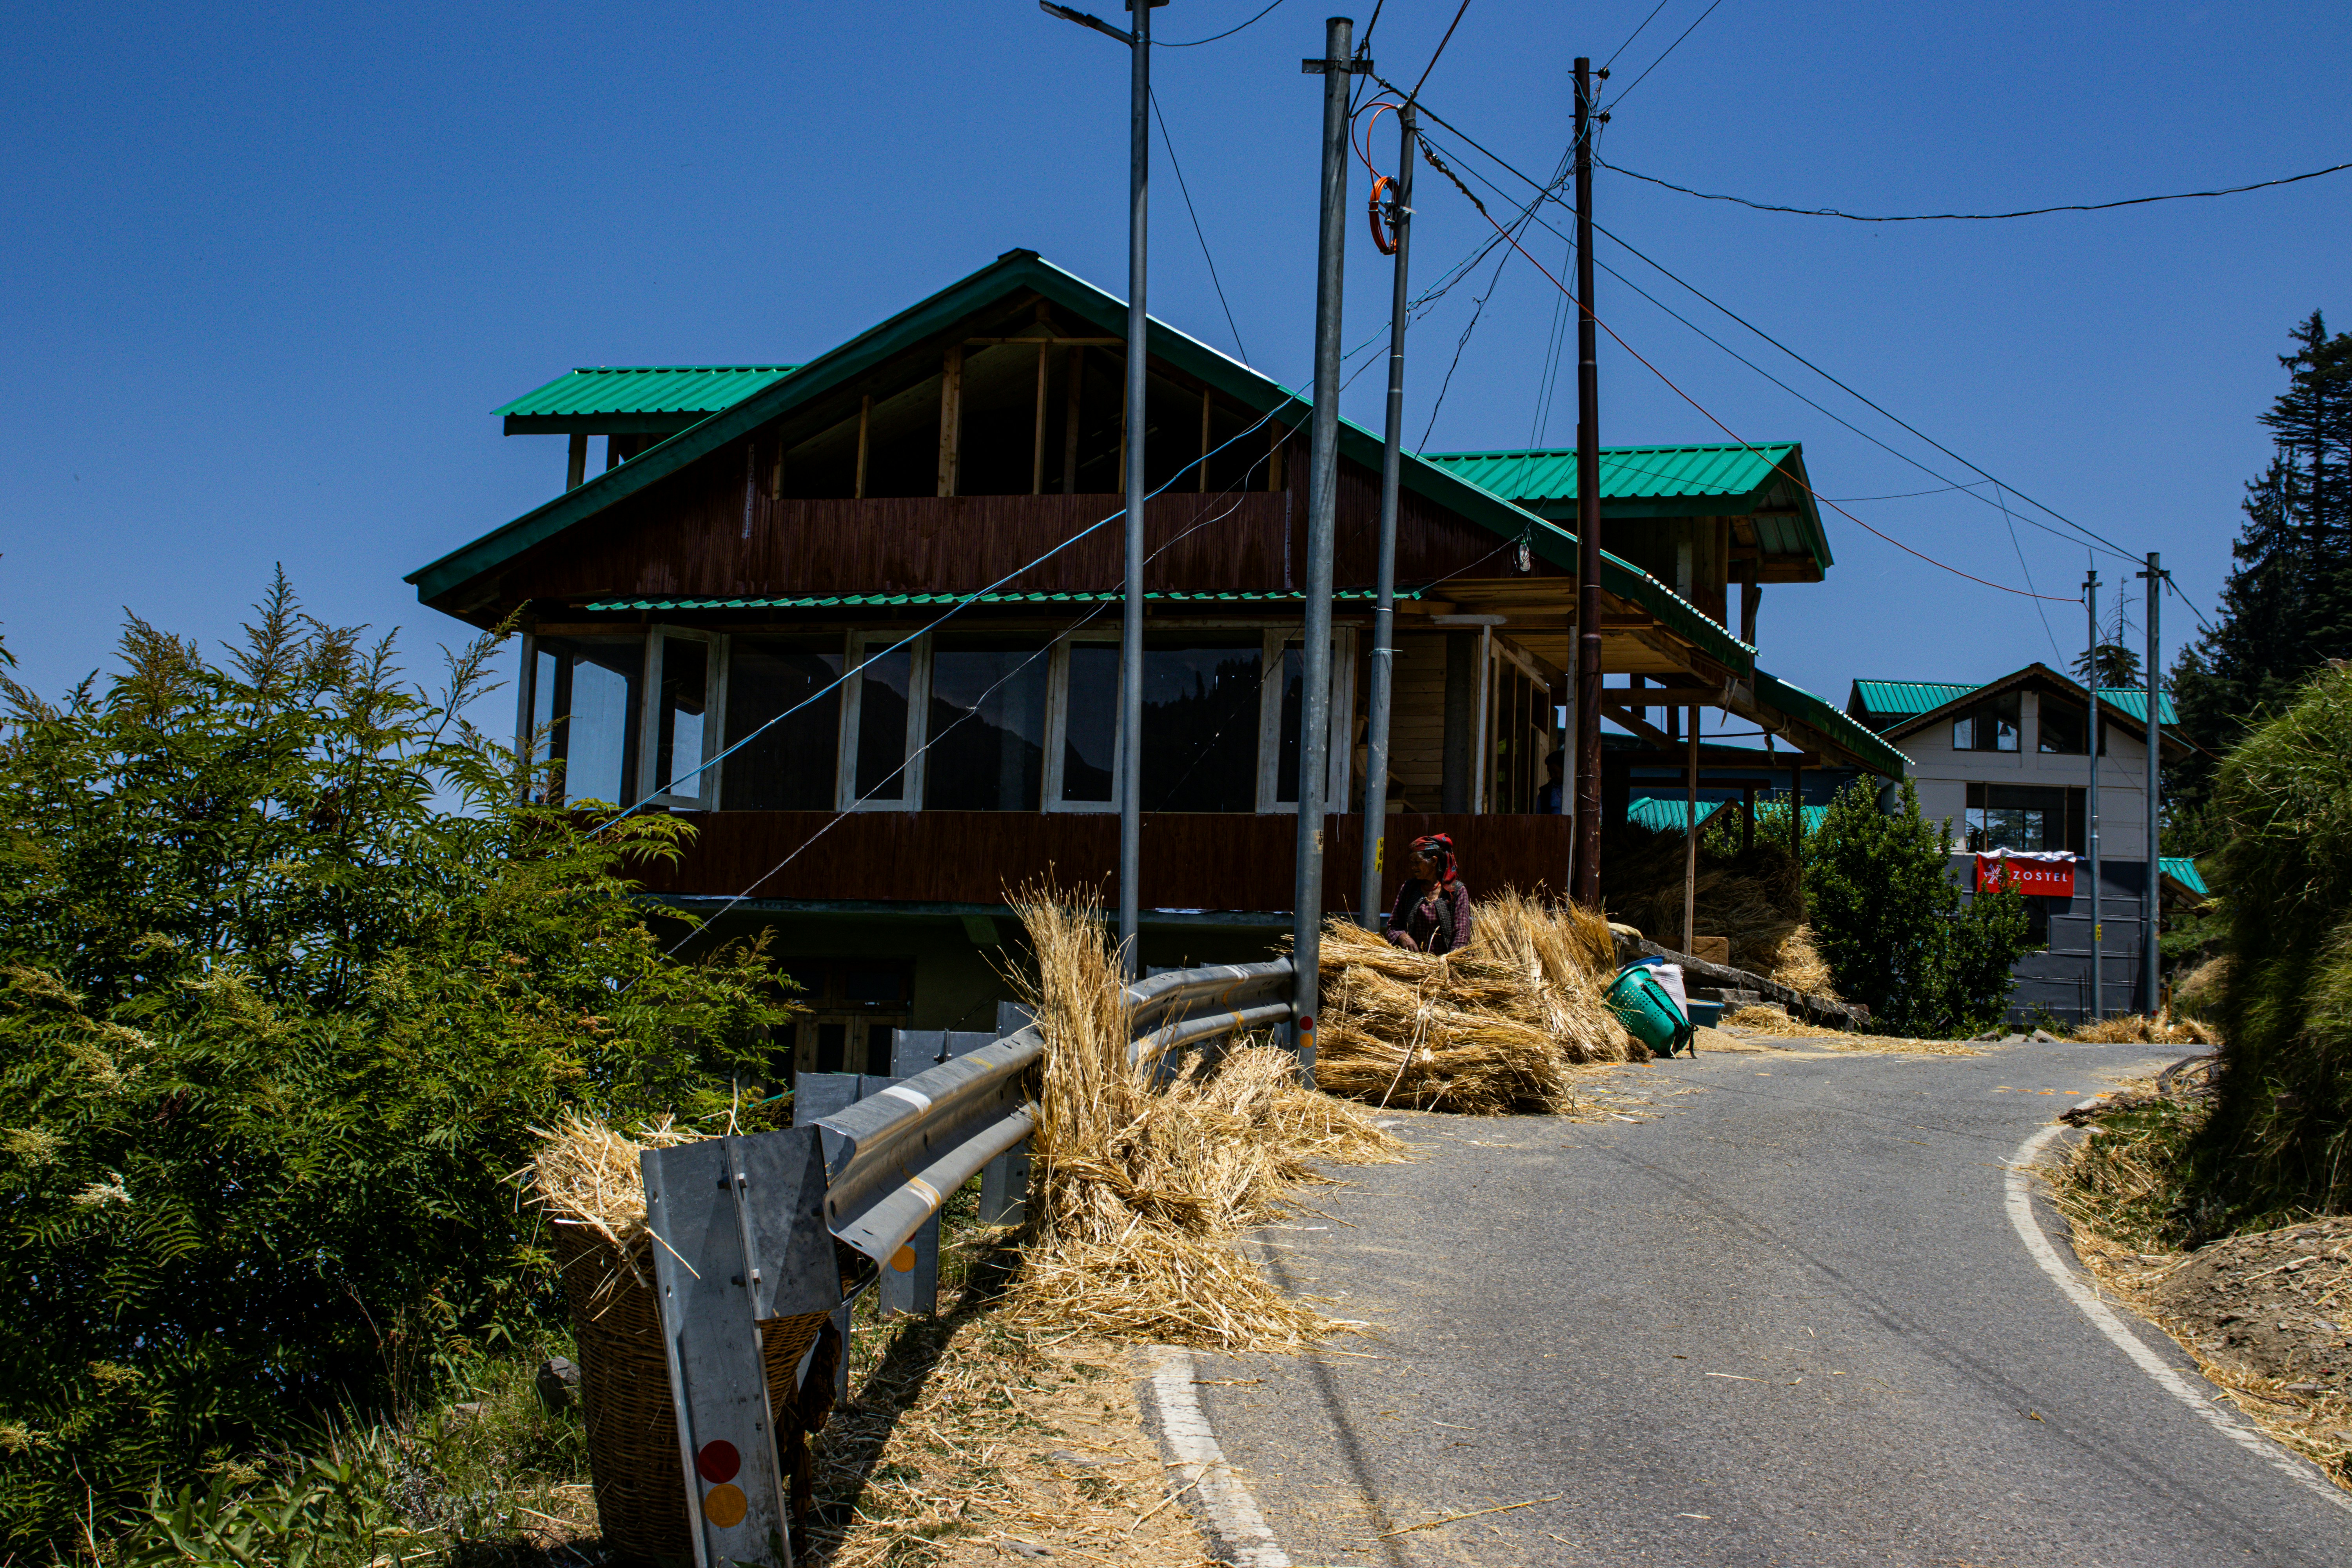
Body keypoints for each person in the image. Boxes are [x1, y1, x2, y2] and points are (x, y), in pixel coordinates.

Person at [1385, 833, 1473, 955]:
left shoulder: (1456, 891)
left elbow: (1462, 933)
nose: (1413, 867)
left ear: (1433, 861)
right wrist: (1404, 938)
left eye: (1418, 862)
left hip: (1445, 964)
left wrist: (1450, 961)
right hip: (1413, 964)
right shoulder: (1409, 889)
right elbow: (1393, 927)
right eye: (1412, 863)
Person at [1536, 748, 1568, 815]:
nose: (1553, 776)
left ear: (1565, 769)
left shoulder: (1576, 789)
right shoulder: (1545, 792)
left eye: (1556, 772)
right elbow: (1539, 815)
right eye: (1550, 773)